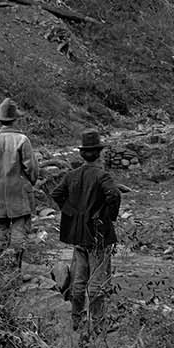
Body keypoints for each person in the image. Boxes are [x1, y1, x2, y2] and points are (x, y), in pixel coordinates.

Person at [50, 130, 122, 334]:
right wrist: (107, 216)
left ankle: (77, 320)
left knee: (79, 279)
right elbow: (114, 194)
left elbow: (56, 194)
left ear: (82, 154)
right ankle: (99, 325)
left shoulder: (72, 175)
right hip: (98, 236)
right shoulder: (101, 175)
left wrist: (73, 213)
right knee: (98, 280)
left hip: (79, 235)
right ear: (99, 153)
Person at [0, 98, 38, 271]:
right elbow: (32, 168)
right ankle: (15, 270)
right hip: (19, 191)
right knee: (19, 232)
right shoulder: (22, 140)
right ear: (15, 119)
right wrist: (30, 183)